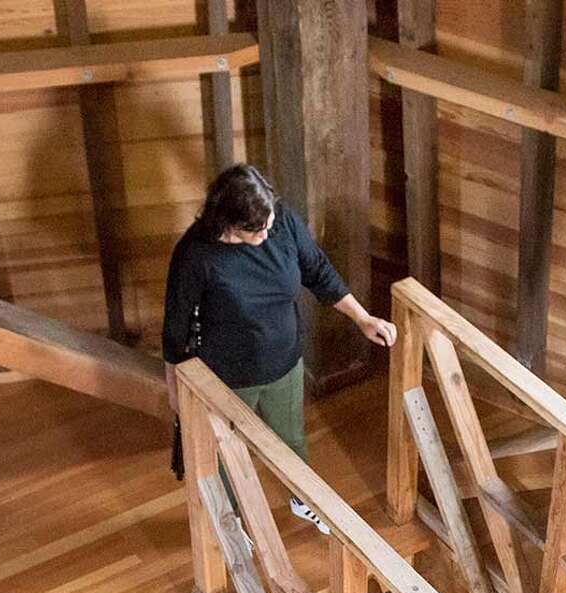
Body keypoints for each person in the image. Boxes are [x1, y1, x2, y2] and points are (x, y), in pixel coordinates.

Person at [162, 163, 395, 530]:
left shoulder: (280, 220)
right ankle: (230, 521)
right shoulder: (195, 255)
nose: (268, 231)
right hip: (227, 376)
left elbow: (317, 270)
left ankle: (301, 498)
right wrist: (174, 390)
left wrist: (363, 318)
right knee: (224, 453)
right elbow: (174, 331)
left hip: (284, 363)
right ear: (230, 224)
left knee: (291, 439)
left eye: (270, 220)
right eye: (258, 229)